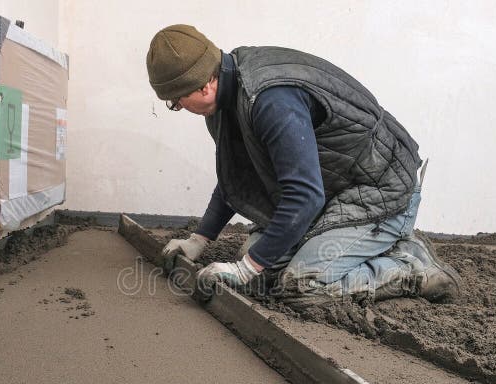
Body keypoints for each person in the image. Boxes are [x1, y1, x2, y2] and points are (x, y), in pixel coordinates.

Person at [147, 24, 462, 305]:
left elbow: (305, 197)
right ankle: (356, 248)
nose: (178, 108)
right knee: (258, 265)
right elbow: (235, 175)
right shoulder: (225, 102)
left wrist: (244, 270)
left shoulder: (269, 101)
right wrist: (198, 240)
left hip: (381, 192)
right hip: (334, 190)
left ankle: (410, 267)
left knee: (301, 285)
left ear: (203, 85)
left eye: (176, 102)